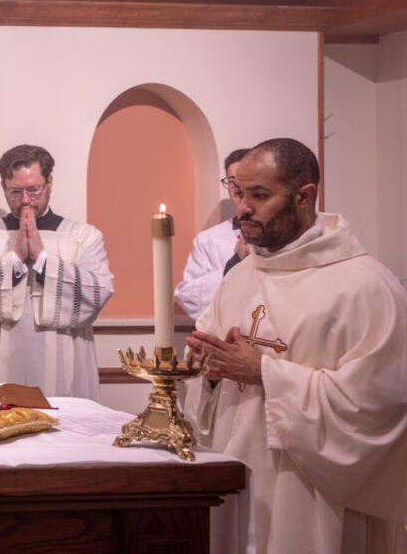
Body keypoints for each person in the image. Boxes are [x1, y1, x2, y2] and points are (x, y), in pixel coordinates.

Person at [184, 138, 407, 553]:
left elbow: (378, 406)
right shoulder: (239, 277)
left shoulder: (366, 287)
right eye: (239, 193)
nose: (242, 209)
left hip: (311, 496)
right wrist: (207, 368)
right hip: (236, 481)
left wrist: (263, 372)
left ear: (304, 196)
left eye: (259, 195)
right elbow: (209, 375)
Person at [0, 144, 114, 398]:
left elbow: (97, 293)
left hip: (65, 366)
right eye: (15, 192)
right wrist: (15, 259)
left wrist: (42, 259)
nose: (25, 200)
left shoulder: (83, 237)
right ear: (3, 187)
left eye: (34, 190)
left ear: (50, 183)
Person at [174, 148, 250, 320]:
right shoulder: (208, 240)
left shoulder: (281, 232)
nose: (237, 187)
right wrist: (236, 261)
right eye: (231, 180)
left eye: (243, 178)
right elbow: (189, 298)